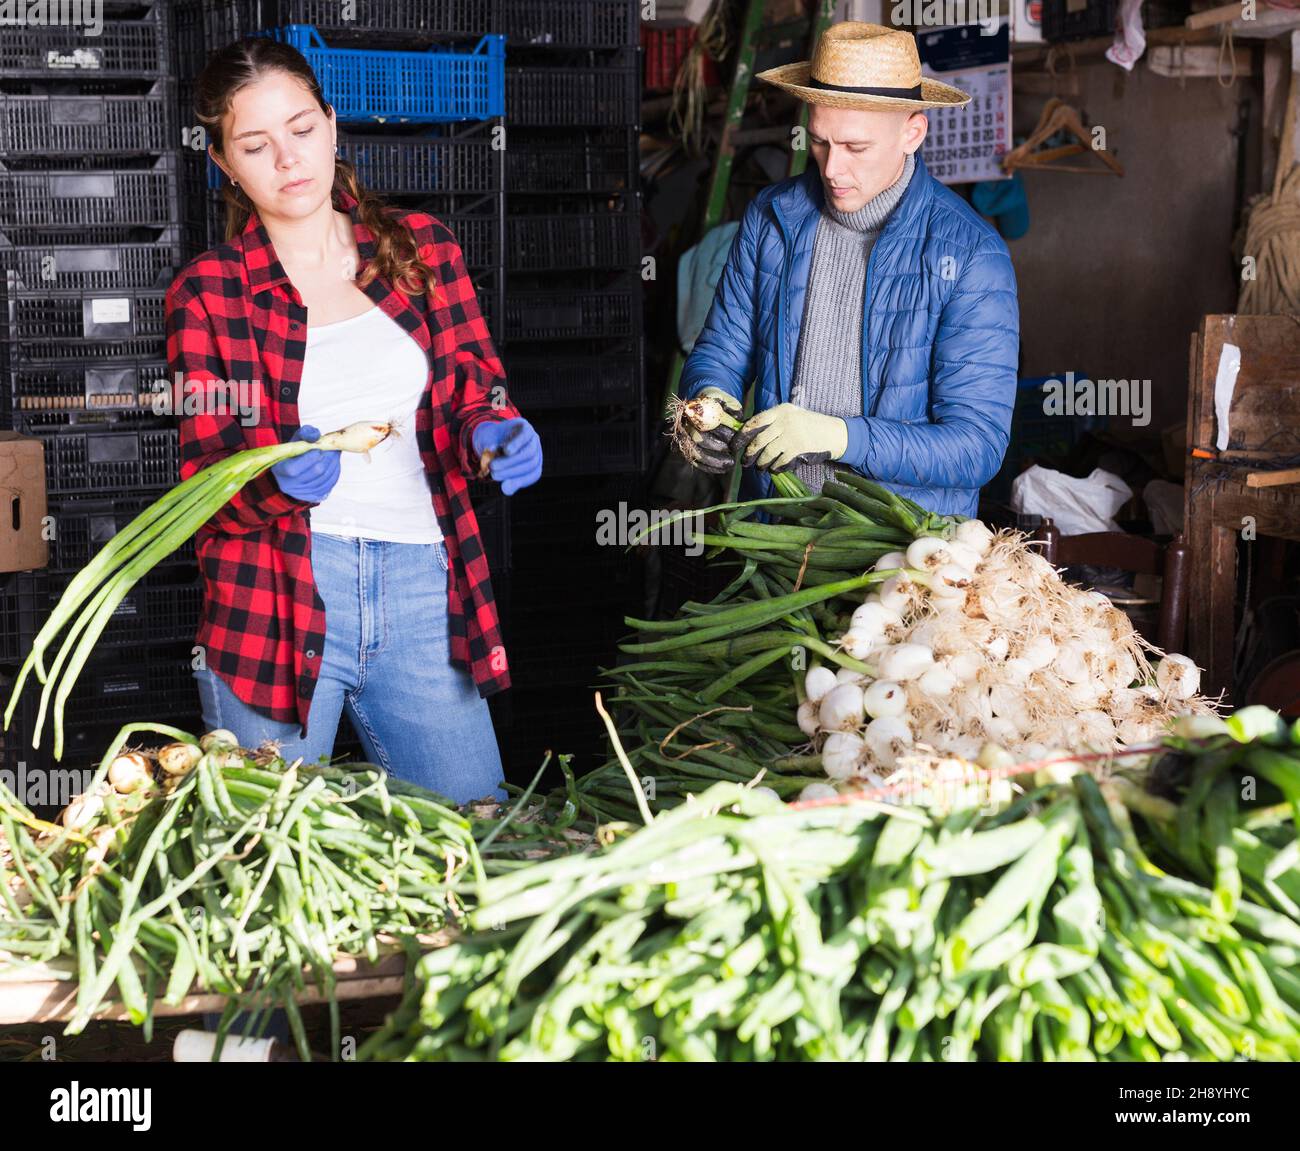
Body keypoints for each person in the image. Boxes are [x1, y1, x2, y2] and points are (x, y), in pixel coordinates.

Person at [165, 36, 542, 808]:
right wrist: (270, 475)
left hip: (422, 588)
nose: (288, 160)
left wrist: (491, 432)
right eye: (255, 145)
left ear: (333, 125)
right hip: (274, 594)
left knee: (478, 837)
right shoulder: (208, 292)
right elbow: (201, 485)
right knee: (267, 860)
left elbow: (477, 387)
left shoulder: (421, 248)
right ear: (223, 163)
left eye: (302, 129)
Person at [679, 21, 1019, 518]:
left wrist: (840, 436)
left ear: (913, 132)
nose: (832, 168)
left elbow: (975, 448)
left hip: (901, 557)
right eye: (820, 142)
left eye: (856, 148)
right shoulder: (772, 217)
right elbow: (722, 348)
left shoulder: (970, 255)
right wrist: (708, 398)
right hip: (777, 534)